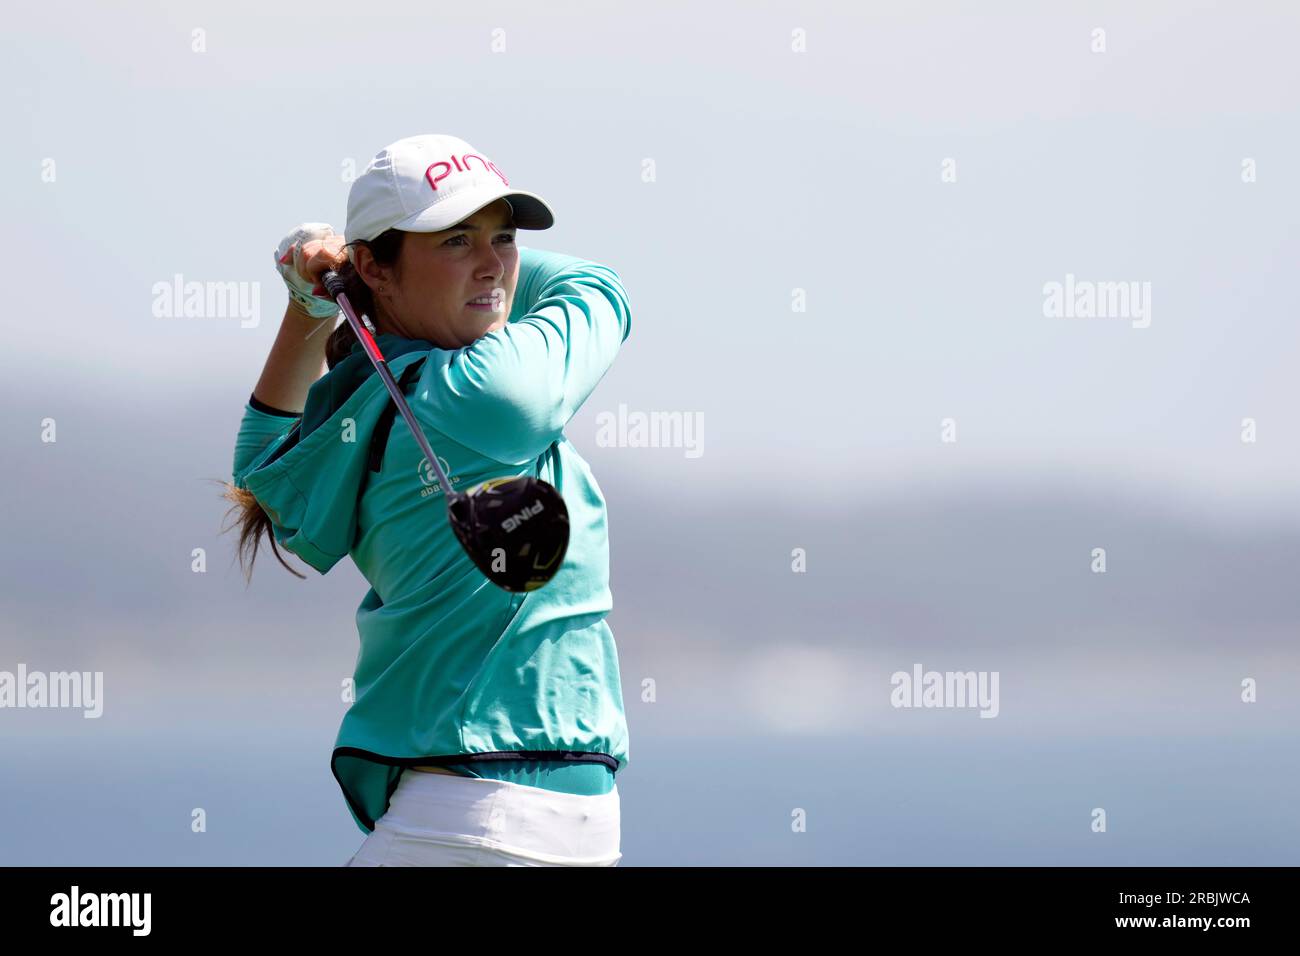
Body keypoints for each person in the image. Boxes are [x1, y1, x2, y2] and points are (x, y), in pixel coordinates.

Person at [220, 133, 633, 866]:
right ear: (378, 264)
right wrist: (351, 272)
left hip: (472, 820)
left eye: (503, 237)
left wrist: (320, 297)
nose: (492, 263)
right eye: (454, 241)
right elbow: (599, 287)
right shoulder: (487, 391)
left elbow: (260, 466)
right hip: (513, 822)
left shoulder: (368, 408)